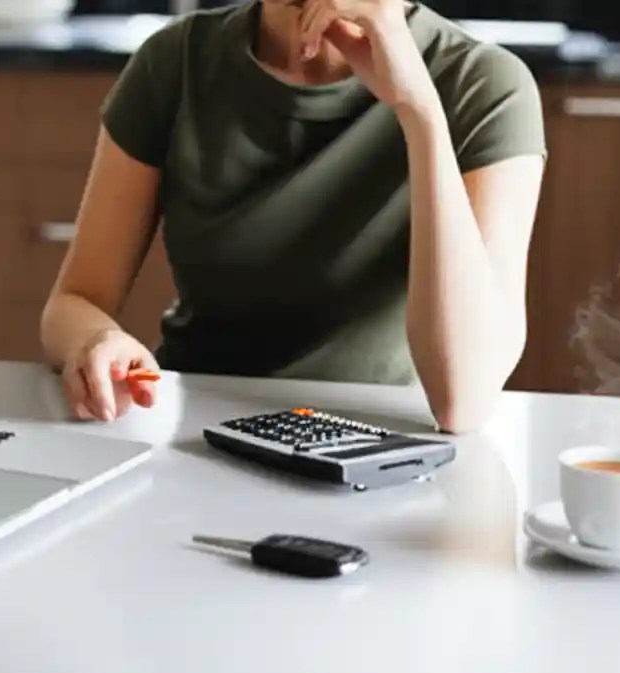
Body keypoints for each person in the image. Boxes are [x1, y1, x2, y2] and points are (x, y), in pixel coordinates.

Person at [40, 0, 546, 432]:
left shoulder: (482, 84)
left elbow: (464, 399)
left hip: (381, 447)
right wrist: (98, 339)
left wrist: (417, 108)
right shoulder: (175, 62)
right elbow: (73, 301)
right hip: (199, 432)